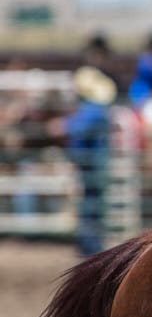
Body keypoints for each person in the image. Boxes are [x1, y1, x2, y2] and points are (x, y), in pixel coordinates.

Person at [49, 62, 117, 256]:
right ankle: (90, 244)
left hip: (93, 165)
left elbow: (71, 127)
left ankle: (90, 245)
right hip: (92, 163)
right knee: (91, 204)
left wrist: (60, 125)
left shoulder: (93, 110)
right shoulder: (96, 109)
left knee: (91, 205)